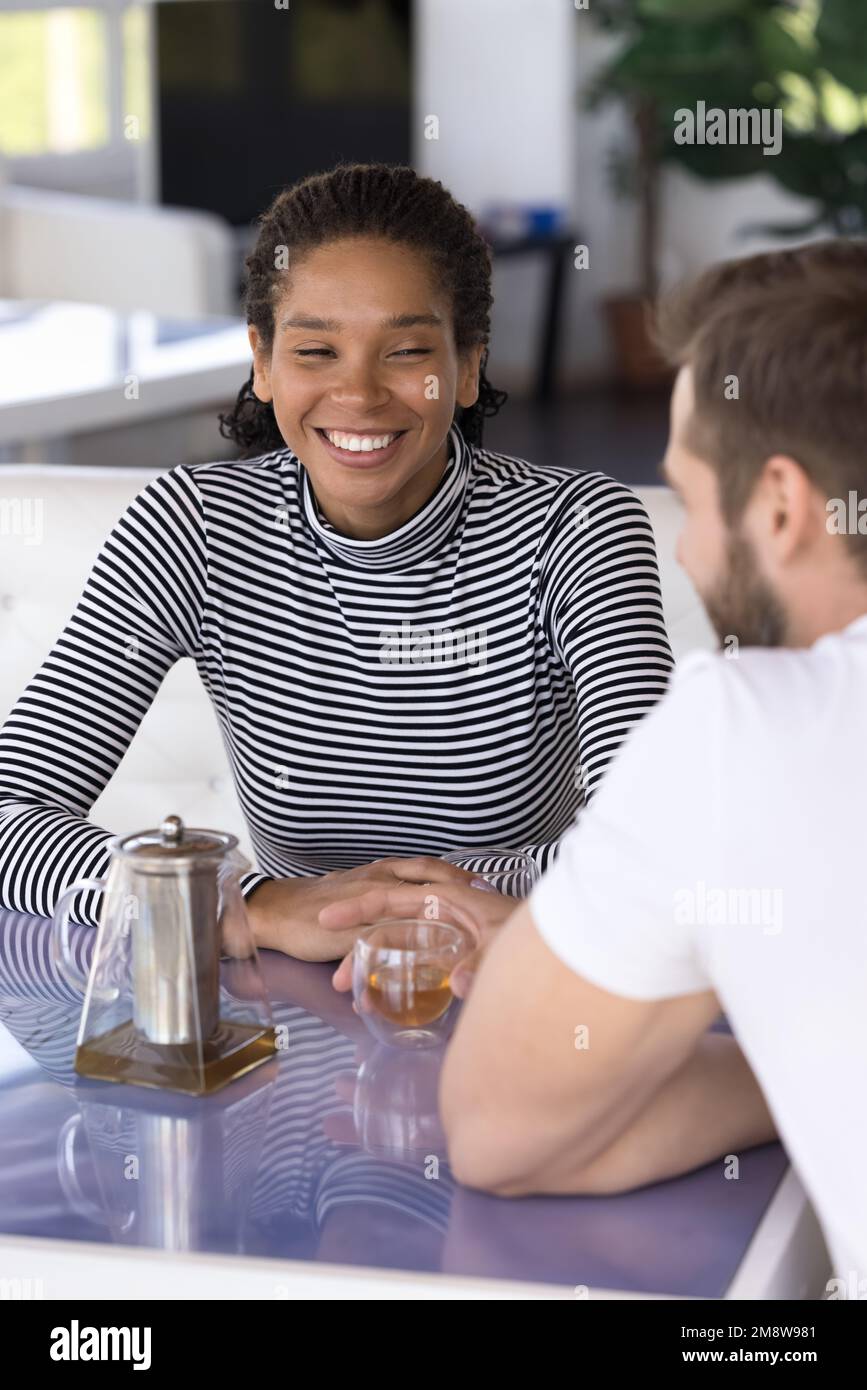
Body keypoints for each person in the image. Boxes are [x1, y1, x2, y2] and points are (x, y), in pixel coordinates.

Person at [322, 239, 867, 1282]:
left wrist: (786, 1054)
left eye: (695, 501)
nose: (686, 551)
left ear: (785, 508)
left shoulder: (751, 728)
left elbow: (497, 1131)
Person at [0, 163, 673, 962]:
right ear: (263, 359)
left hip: (507, 985)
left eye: (406, 351)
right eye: (316, 349)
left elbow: (653, 837)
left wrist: (430, 910)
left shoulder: (576, 528)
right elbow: (12, 811)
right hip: (278, 1004)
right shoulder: (192, 527)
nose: (356, 394)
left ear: (465, 367)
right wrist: (248, 903)